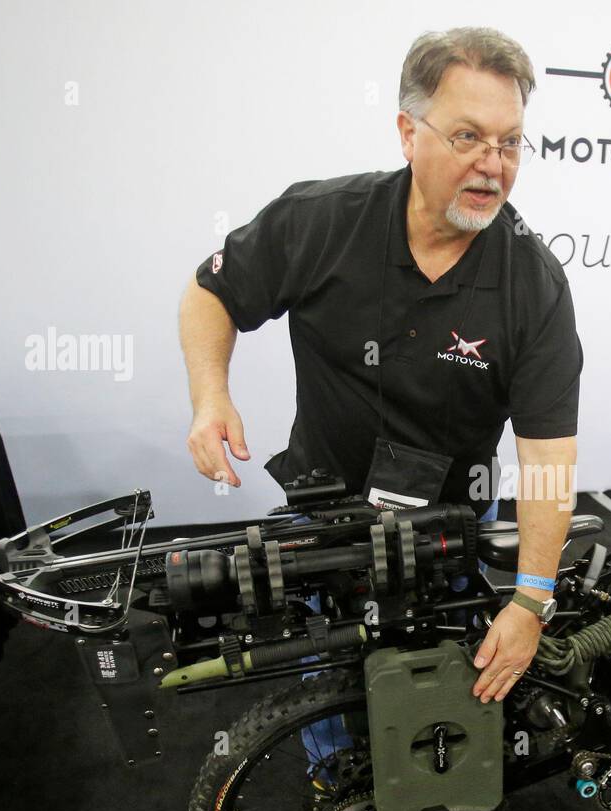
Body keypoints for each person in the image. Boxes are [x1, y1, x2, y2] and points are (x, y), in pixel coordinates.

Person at [177, 27, 582, 705]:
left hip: (448, 536)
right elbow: (210, 293)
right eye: (468, 137)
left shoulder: (532, 284)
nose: (493, 164)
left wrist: (530, 601)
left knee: (430, 709)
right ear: (407, 133)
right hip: (322, 521)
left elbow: (549, 457)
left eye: (510, 142)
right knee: (325, 700)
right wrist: (210, 396)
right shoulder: (319, 221)